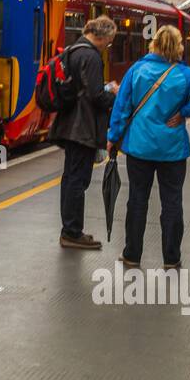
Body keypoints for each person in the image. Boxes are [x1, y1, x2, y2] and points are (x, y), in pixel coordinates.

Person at [107, 24, 190, 269]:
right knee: (172, 202)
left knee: (137, 200)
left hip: (139, 148)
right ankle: (171, 258)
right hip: (172, 150)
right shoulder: (185, 75)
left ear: (153, 43)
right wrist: (184, 112)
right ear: (178, 47)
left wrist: (113, 137)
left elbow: (121, 108)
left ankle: (132, 255)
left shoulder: (137, 70)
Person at [48, 16, 119, 250]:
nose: (107, 45)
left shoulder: (73, 50)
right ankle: (72, 232)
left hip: (71, 125)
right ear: (101, 35)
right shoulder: (90, 56)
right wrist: (115, 94)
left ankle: (70, 230)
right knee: (77, 180)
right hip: (83, 128)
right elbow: (95, 96)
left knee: (71, 179)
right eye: (109, 41)